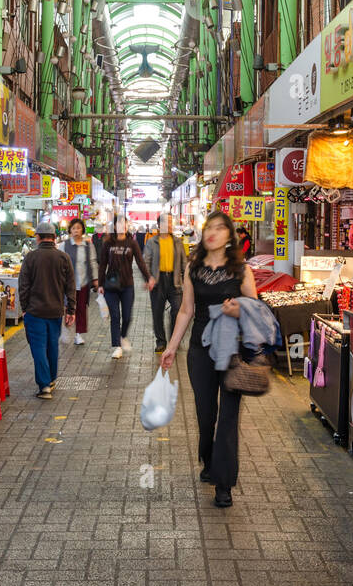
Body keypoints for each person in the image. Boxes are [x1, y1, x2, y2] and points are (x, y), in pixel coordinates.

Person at [161, 211, 258, 508]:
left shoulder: (241, 269)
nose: (212, 233)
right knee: (206, 415)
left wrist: (237, 309)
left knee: (228, 418)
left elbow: (254, 309)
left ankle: (223, 482)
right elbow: (186, 310)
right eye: (208, 228)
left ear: (230, 236)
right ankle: (208, 458)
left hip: (231, 351)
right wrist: (171, 347)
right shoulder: (193, 267)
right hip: (200, 350)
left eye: (220, 228)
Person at [18, 221, 76, 399]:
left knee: (38, 348)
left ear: (38, 237)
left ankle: (44, 386)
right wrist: (71, 310)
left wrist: (25, 307)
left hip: (35, 312)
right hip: (55, 311)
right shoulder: (63, 257)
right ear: (54, 238)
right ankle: (51, 379)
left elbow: (23, 286)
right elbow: (70, 286)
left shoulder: (31, 257)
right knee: (52, 346)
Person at [98, 213, 153, 359]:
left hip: (128, 285)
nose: (122, 226)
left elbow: (140, 262)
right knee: (115, 316)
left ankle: (123, 337)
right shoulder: (108, 243)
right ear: (114, 226)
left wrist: (148, 278)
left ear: (127, 226)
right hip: (111, 286)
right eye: (119, 223)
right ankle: (116, 346)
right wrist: (100, 283)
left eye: (124, 223)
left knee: (127, 316)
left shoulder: (132, 243)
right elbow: (102, 264)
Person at [145, 212, 185, 353]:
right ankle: (161, 342)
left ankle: (174, 339)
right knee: (158, 312)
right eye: (166, 222)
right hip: (158, 281)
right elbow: (146, 262)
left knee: (177, 309)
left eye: (170, 221)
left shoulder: (177, 242)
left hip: (174, 280)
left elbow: (183, 262)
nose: (169, 225)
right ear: (159, 225)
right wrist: (149, 278)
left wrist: (186, 278)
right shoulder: (152, 242)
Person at [61, 218, 99, 345]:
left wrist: (95, 279)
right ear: (70, 230)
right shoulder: (64, 245)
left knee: (82, 308)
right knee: (68, 307)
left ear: (82, 229)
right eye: (73, 228)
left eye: (78, 228)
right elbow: (59, 263)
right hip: (68, 284)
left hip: (83, 282)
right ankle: (66, 330)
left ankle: (78, 334)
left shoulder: (88, 245)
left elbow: (93, 262)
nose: (76, 230)